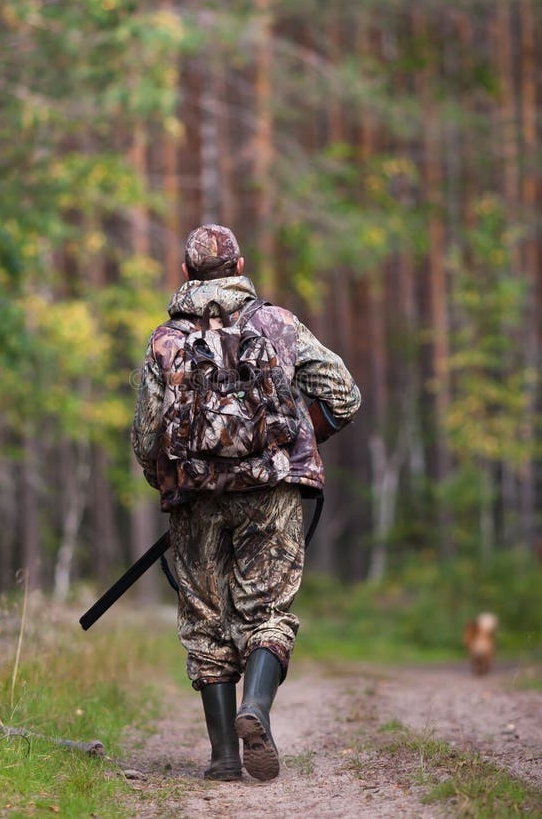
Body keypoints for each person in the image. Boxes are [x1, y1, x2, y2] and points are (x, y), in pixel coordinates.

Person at [131, 224, 361, 782]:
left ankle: (224, 759)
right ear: (239, 267)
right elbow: (344, 395)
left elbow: (145, 437)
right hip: (272, 492)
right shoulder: (277, 324)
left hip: (196, 500)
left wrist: (175, 479)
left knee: (206, 621)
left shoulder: (165, 340)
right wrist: (296, 441)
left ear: (185, 274)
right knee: (269, 612)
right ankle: (254, 709)